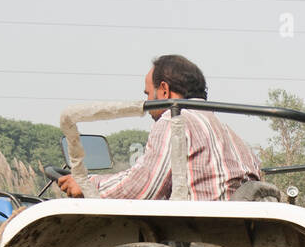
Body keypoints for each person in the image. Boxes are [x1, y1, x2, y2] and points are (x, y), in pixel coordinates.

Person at [56, 54, 262, 201]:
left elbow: (145, 186)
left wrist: (88, 184)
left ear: (164, 90)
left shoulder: (174, 122)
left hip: (196, 235)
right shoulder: (231, 133)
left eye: (147, 93)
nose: (146, 102)